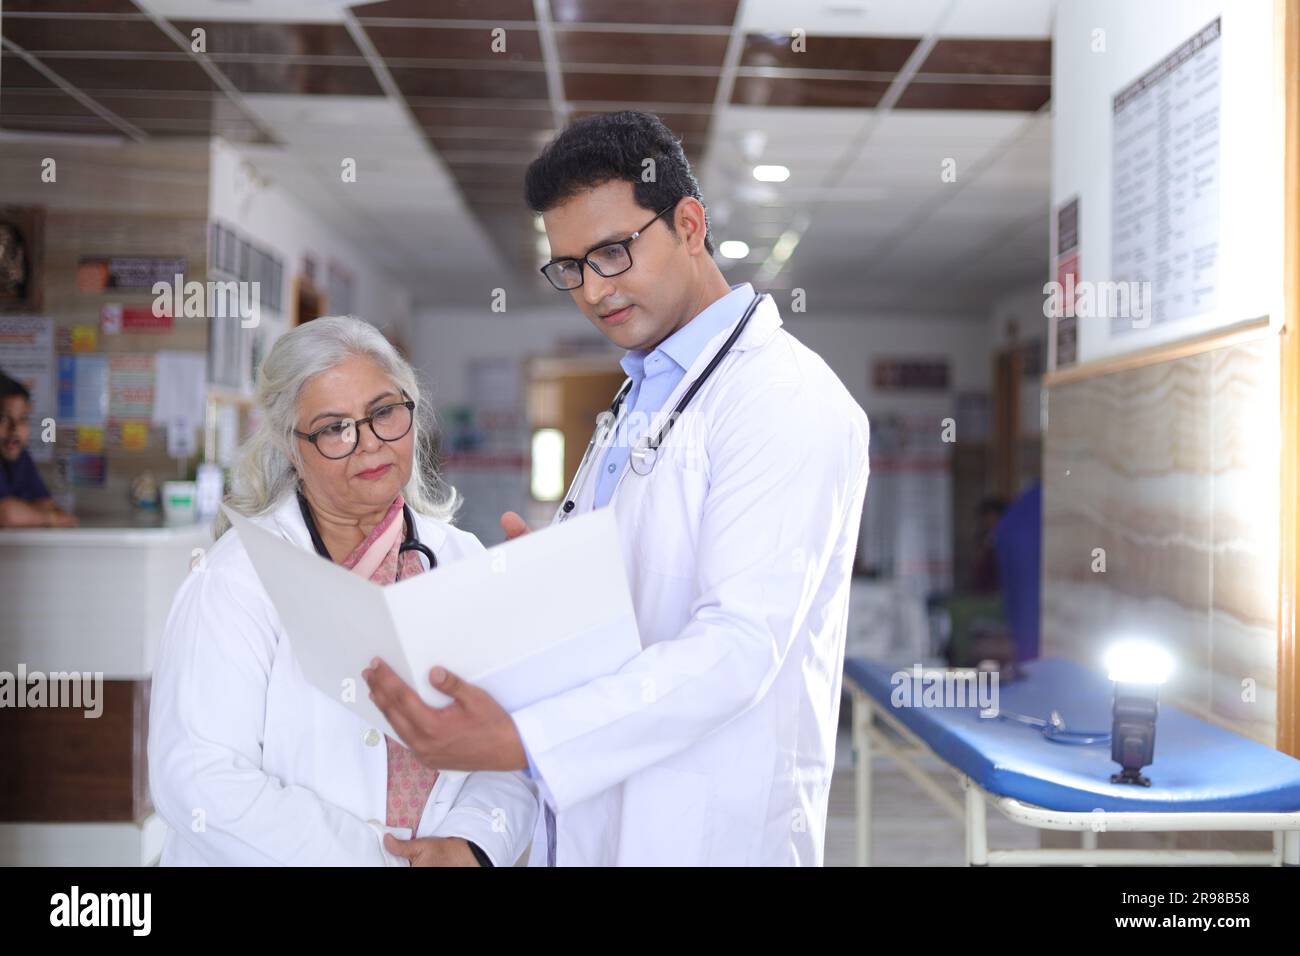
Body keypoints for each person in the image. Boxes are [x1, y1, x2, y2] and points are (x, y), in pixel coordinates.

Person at [364, 111, 871, 865]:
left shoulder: (783, 397)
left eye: (612, 252)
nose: (593, 290)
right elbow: (641, 602)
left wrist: (523, 741)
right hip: (605, 822)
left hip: (707, 832)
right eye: (570, 267)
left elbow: (738, 646)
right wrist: (558, 591)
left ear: (690, 225)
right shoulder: (644, 394)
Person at [148, 316, 536, 866]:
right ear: (290, 444)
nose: (369, 444)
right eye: (334, 428)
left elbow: (512, 741)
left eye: (383, 413)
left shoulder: (461, 560)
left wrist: (472, 843)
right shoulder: (235, 580)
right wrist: (382, 861)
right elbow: (198, 779)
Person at [0, 371, 76, 528]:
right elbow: (6, 514)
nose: (14, 429)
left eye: (23, 419)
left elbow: (47, 504)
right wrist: (50, 519)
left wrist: (36, 515)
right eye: (4, 419)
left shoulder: (22, 457)